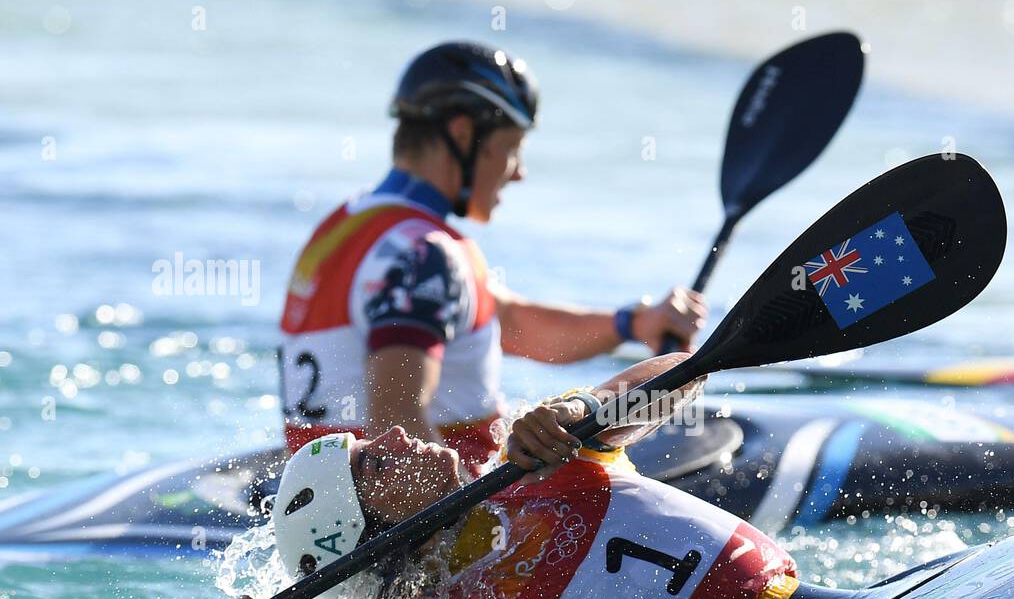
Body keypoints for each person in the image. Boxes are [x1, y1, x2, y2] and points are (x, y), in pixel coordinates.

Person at [200, 354, 836, 599]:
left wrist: (583, 409)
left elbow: (685, 372)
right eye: (373, 466)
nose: (396, 439)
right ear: (380, 538)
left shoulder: (538, 452)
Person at [278, 41, 707, 470]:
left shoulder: (349, 227)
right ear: (463, 134)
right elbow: (395, 422)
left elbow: (511, 323)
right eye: (512, 146)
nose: (518, 172)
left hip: (325, 494)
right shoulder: (424, 255)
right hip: (433, 512)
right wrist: (462, 530)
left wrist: (632, 323)